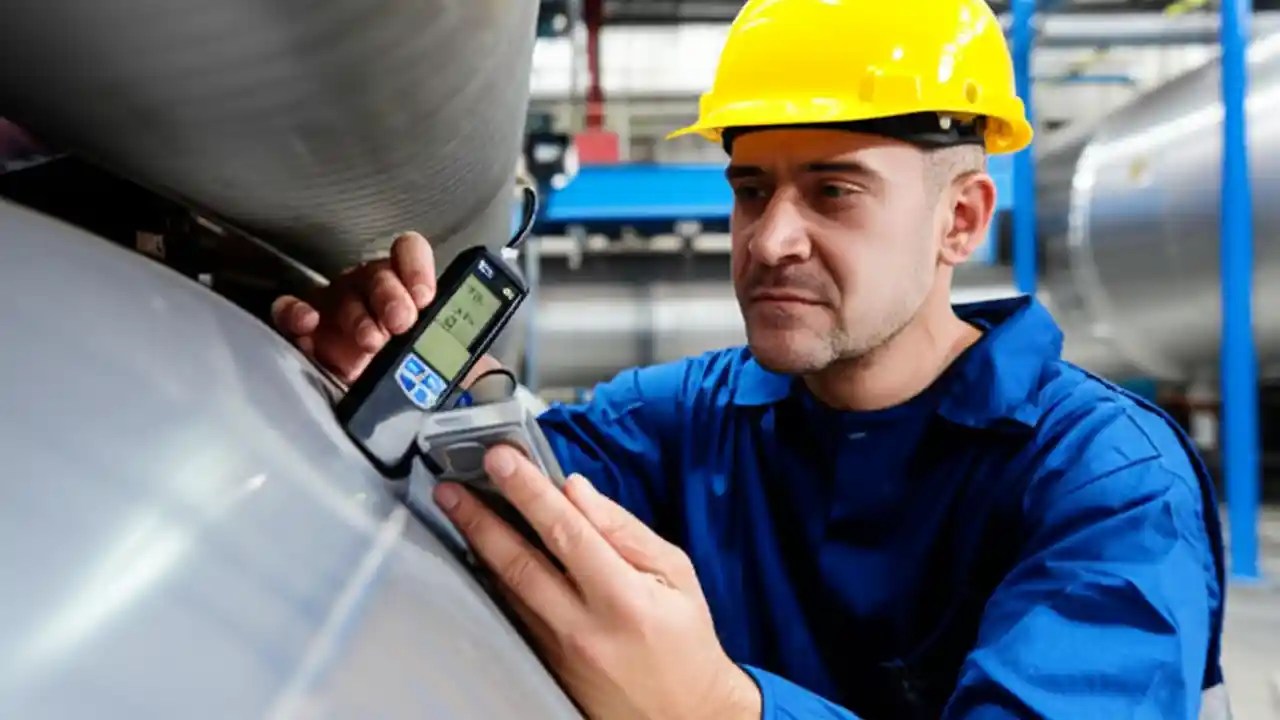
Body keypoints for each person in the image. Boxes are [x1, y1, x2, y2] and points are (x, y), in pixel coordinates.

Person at [273, 1, 1227, 717]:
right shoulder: (681, 421)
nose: (769, 241)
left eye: (834, 191)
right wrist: (417, 377)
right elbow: (505, 487)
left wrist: (722, 706)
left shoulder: (1109, 481)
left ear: (961, 218)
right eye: (751, 190)